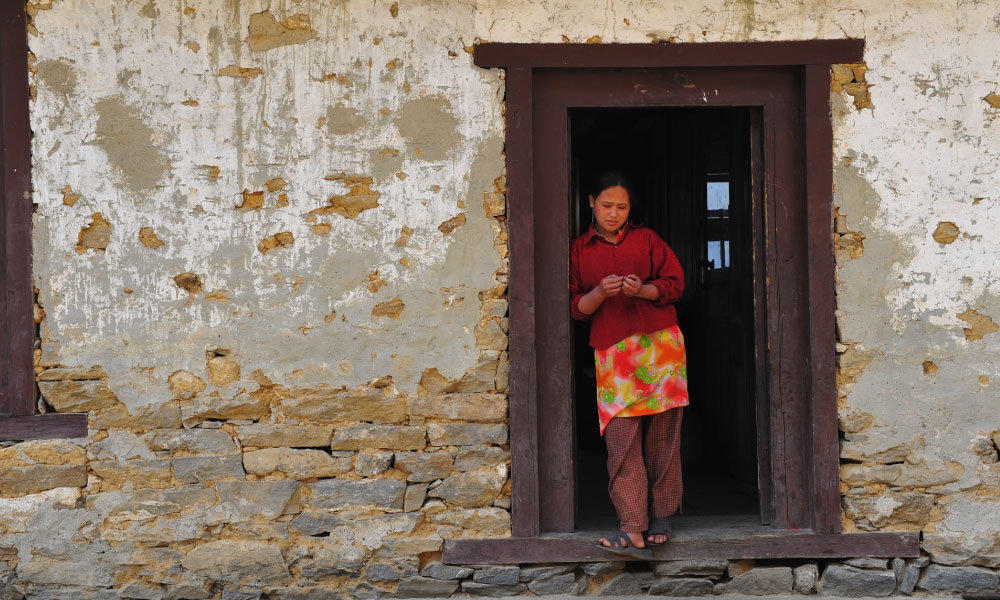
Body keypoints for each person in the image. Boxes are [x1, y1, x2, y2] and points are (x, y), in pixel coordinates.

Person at [569, 171, 688, 559]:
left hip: (660, 349)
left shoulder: (648, 239)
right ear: (591, 202)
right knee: (621, 440)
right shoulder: (579, 250)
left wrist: (645, 290)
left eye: (622, 207)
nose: (614, 213)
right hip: (614, 353)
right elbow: (575, 307)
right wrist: (601, 292)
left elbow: (675, 284)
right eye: (607, 205)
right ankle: (631, 525)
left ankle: (660, 518)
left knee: (663, 438)